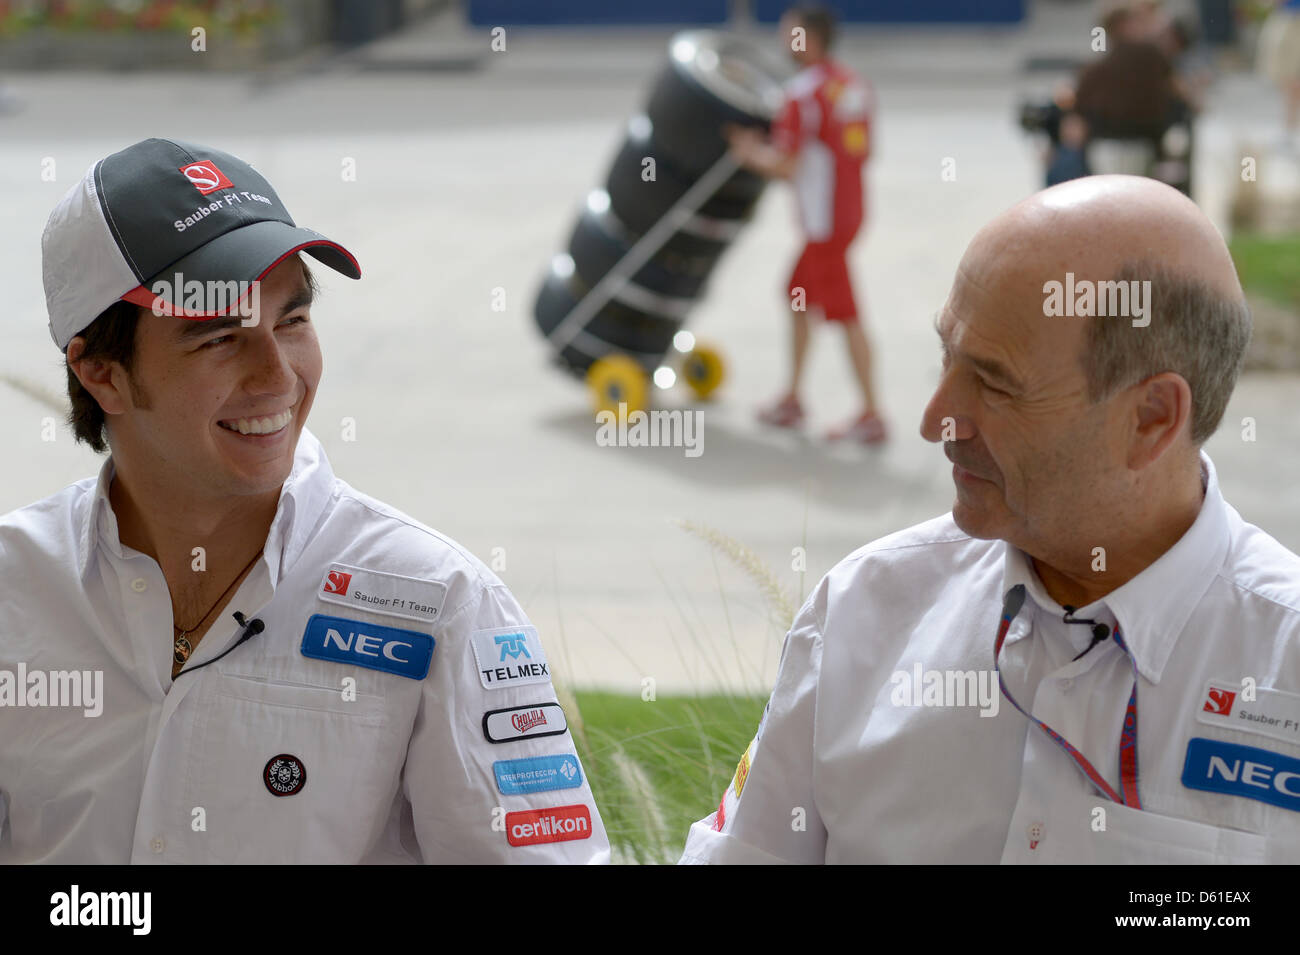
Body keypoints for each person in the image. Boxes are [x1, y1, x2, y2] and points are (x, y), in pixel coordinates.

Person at [0, 138, 608, 863]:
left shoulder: (443, 603)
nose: (278, 375)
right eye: (220, 336)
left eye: (292, 320)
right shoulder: (16, 587)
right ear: (101, 373)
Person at [680, 174, 1300, 863]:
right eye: (948, 355)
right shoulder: (864, 610)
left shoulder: (1284, 655)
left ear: (1152, 418)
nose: (934, 418)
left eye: (995, 381)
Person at [725, 3, 886, 444]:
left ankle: (872, 413)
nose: (784, 41)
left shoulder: (800, 94)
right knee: (795, 296)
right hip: (849, 214)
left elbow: (787, 167)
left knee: (846, 313)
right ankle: (793, 398)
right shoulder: (853, 85)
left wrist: (747, 151)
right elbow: (863, 151)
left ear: (809, 39)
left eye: (790, 34)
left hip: (823, 226)